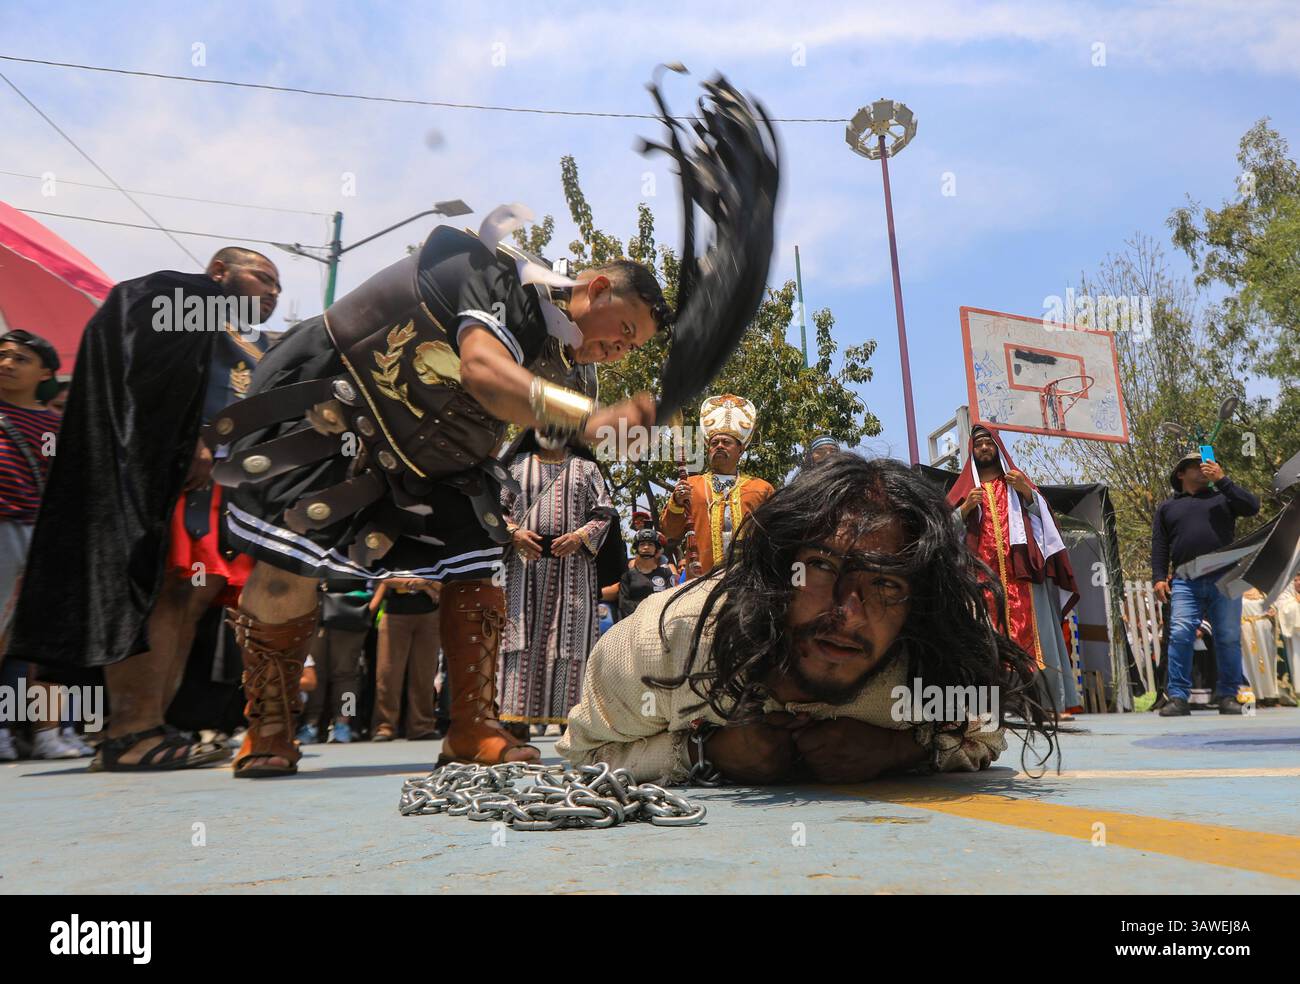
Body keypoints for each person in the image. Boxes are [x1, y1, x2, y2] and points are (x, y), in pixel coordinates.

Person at [211, 208, 669, 776]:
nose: (617, 351)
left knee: (475, 561)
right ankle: (270, 724)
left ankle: (470, 726)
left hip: (435, 453)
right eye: (623, 331)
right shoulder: (502, 274)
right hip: (340, 406)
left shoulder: (562, 359)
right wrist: (592, 417)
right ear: (597, 288)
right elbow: (482, 370)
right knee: (289, 566)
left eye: (630, 349)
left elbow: (518, 416)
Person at [559, 455, 1054, 784]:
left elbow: (984, 732)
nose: (848, 613)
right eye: (822, 567)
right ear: (779, 570)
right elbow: (581, 757)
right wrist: (700, 753)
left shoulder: (927, 658)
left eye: (886, 584)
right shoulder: (666, 644)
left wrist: (900, 751)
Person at [6, 248, 281, 771]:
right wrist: (187, 439)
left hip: (224, 488)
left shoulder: (255, 344)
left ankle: (153, 724)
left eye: (278, 287)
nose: (271, 292)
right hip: (174, 476)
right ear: (221, 273)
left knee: (191, 599)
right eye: (262, 278)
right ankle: (130, 731)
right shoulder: (180, 298)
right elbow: (148, 382)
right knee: (160, 591)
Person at [947, 426, 1081, 717]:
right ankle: (990, 707)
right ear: (972, 451)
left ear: (997, 447)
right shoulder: (964, 491)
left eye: (988, 443)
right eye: (978, 444)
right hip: (982, 582)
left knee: (1038, 640)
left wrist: (1028, 494)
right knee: (986, 642)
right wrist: (963, 510)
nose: (984, 448)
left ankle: (1045, 704)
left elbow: (1046, 527)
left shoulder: (1018, 484)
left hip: (1023, 577)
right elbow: (944, 533)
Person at [499, 429, 615, 741]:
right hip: (523, 568)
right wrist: (514, 534)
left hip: (573, 569)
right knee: (518, 640)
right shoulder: (515, 466)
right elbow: (496, 510)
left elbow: (604, 512)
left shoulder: (586, 469)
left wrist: (579, 537)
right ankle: (514, 723)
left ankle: (570, 722)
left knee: (569, 642)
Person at [0, 330, 78, 759]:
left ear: (46, 372)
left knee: (44, 643)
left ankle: (49, 735)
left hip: (42, 533)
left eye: (21, 358)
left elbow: (61, 484)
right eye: (3, 355)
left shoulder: (52, 425)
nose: (8, 363)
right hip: (3, 527)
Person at [1151, 450, 1260, 716]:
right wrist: (1157, 577)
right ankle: (1177, 697)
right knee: (1179, 635)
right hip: (1185, 580)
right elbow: (1160, 545)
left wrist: (1223, 480)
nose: (1204, 468)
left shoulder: (1224, 497)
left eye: (1207, 464)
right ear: (1181, 473)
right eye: (1195, 465)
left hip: (1225, 576)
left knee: (1228, 637)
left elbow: (1252, 507)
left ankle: (1228, 696)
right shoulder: (1167, 507)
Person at [660, 394, 774, 574]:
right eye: (714, 443)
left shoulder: (761, 489)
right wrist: (677, 502)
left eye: (726, 442)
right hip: (700, 582)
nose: (719, 446)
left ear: (740, 450)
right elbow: (669, 532)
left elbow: (775, 537)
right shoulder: (691, 485)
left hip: (748, 583)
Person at [369, 577, 442, 742]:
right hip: (394, 614)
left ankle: (422, 726)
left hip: (429, 614)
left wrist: (424, 584)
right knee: (387, 674)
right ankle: (384, 726)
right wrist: (423, 585)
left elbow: (442, 580)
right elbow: (384, 577)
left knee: (425, 673)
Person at [618, 527, 676, 619]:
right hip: (633, 621)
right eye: (642, 544)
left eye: (650, 544)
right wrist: (644, 612)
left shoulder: (666, 573)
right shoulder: (627, 576)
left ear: (656, 548)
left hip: (660, 620)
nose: (646, 547)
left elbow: (672, 599)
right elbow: (623, 603)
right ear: (636, 548)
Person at [1240, 587, 1279, 705]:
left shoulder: (1263, 591)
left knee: (1266, 661)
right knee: (1250, 662)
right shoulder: (1237, 592)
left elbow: (1274, 606)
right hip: (1246, 629)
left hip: (1263, 629)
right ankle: (1253, 694)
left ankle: (1269, 694)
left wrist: (1272, 611)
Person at [1277, 575, 1300, 694]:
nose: (1298, 582)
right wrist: (1296, 603)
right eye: (1295, 580)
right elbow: (1283, 607)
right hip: (1294, 637)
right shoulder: (1286, 594)